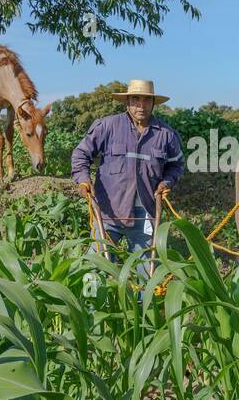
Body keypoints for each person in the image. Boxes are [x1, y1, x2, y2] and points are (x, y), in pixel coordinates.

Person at [71, 80, 185, 269]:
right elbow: (81, 154)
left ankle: (142, 299)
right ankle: (94, 298)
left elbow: (176, 165)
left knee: (148, 270)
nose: (141, 105)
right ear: (127, 102)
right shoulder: (107, 126)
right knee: (96, 268)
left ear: (153, 103)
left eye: (146, 100)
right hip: (108, 211)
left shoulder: (166, 135)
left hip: (145, 212)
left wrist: (167, 182)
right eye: (135, 99)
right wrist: (83, 180)